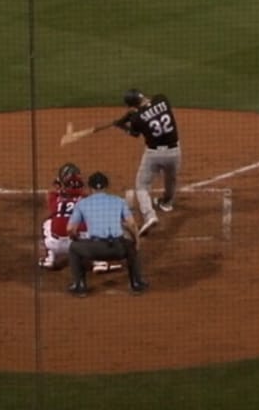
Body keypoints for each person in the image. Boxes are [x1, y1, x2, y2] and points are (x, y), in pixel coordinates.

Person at [64, 171, 148, 297]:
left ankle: (79, 285)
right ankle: (136, 283)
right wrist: (137, 242)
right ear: (106, 186)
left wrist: (75, 238)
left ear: (90, 187)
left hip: (94, 250)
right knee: (131, 246)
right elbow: (132, 225)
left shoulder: (82, 203)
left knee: (74, 248)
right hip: (118, 249)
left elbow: (70, 229)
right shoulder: (119, 201)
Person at [114, 88, 180, 236]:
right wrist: (132, 115)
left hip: (154, 154)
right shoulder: (162, 98)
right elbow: (148, 111)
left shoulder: (137, 119)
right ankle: (167, 203)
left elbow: (134, 133)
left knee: (142, 186)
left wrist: (122, 124)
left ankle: (149, 216)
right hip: (174, 152)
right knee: (171, 178)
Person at [40, 162, 119, 273]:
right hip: (79, 245)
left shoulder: (55, 198)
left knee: (48, 223)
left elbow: (51, 197)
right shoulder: (86, 198)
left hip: (56, 245)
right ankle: (99, 262)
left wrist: (59, 186)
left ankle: (49, 258)